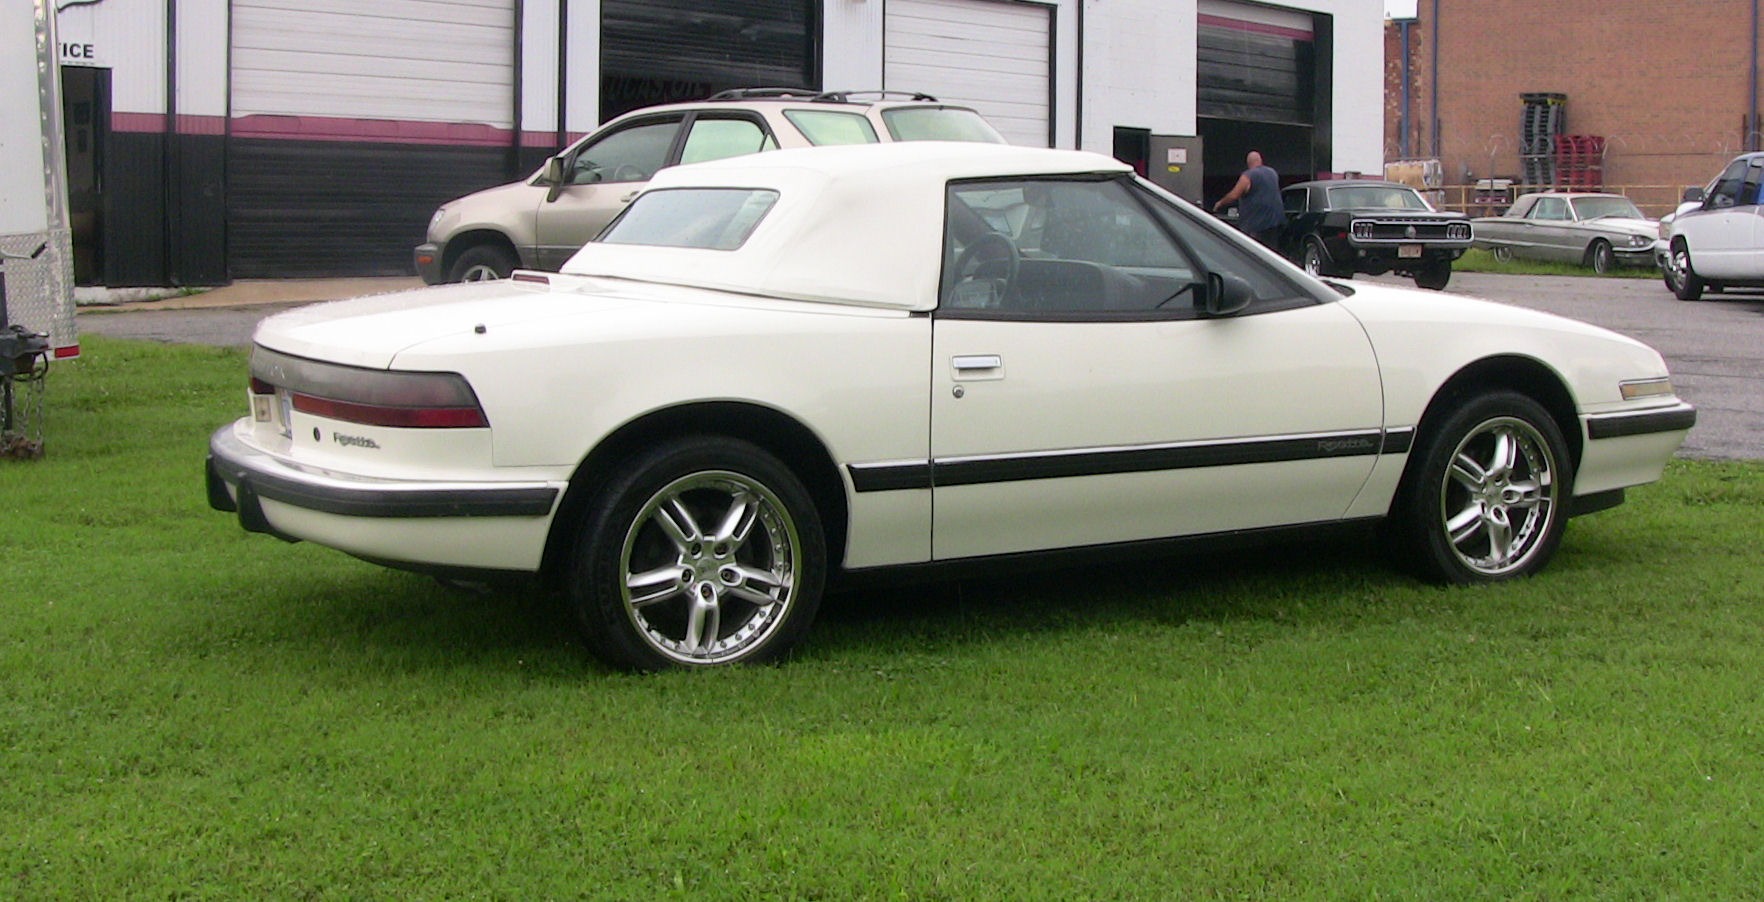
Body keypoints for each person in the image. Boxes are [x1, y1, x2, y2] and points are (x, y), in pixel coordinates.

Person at [1212, 151, 1285, 247]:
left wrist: (1220, 203)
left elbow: (1234, 195)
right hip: (1274, 222)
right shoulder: (1273, 173)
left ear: (1248, 163)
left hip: (1256, 224)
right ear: (1261, 160)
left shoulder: (1248, 175)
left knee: (1253, 252)